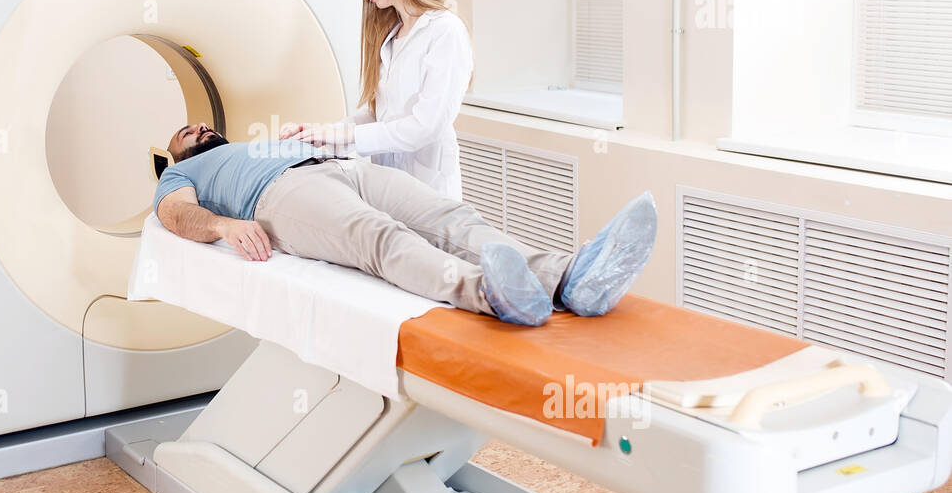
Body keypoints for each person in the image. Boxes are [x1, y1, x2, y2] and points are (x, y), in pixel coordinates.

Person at [153, 122, 657, 326]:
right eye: (185, 131)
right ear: (174, 153)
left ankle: (570, 279)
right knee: (378, 237)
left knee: (449, 216)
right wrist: (222, 226)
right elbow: (174, 213)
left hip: (339, 167)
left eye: (202, 124)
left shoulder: (247, 143)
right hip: (279, 194)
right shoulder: (182, 171)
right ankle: (491, 294)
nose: (199, 129)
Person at [279, 0, 474, 200]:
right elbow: (377, 113)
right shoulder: (391, 39)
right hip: (388, 187)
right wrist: (322, 133)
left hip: (429, 190)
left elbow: (426, 126)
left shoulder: (444, 30)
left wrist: (345, 137)